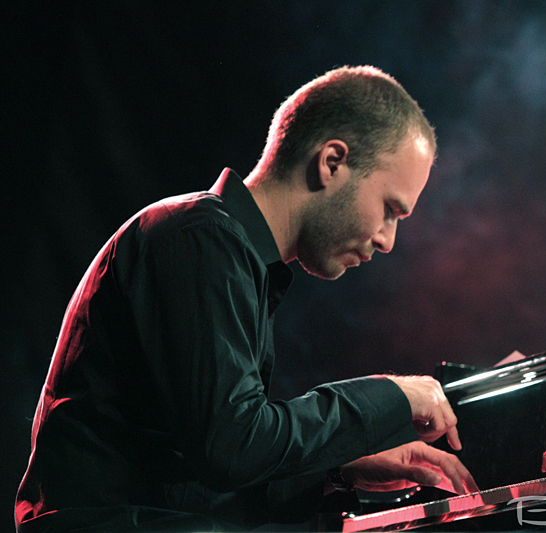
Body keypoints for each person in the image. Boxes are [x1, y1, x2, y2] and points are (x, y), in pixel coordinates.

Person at [15, 66, 478, 532]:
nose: (388, 241)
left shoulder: (224, 251)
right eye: (390, 210)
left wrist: (336, 472)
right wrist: (392, 394)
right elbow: (232, 445)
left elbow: (198, 470)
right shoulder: (200, 238)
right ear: (331, 162)